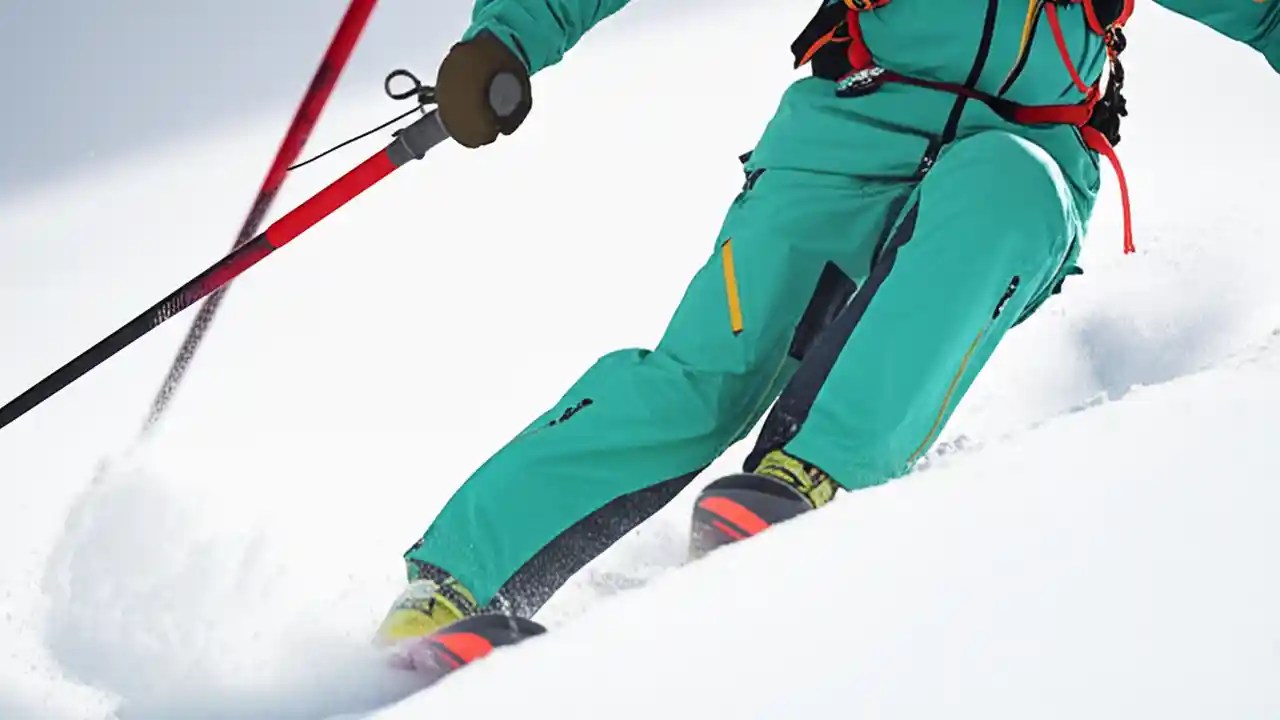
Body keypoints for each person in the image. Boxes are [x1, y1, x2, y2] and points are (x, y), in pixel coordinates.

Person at [375, 0, 1279, 645]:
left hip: (1031, 153)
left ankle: (807, 477)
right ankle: (456, 581)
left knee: (999, 192)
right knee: (707, 377)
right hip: (843, 131)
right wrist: (511, 35)